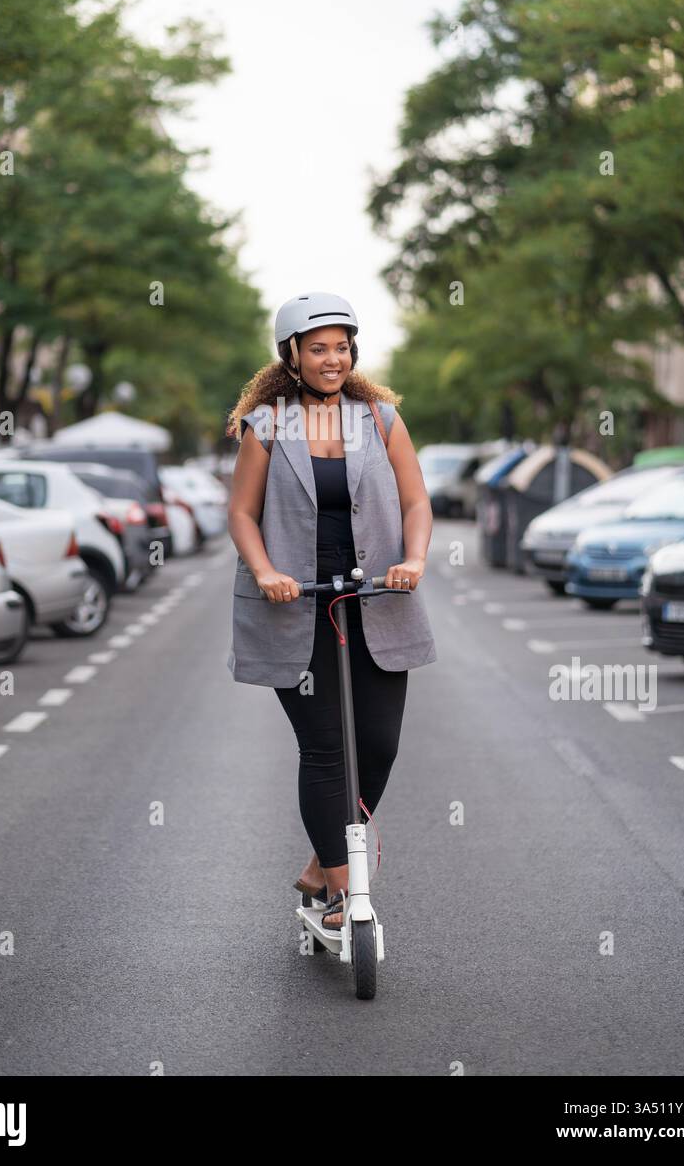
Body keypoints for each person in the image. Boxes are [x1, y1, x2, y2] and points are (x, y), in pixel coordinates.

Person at [226, 292, 437, 929]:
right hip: (295, 606)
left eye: (342, 347)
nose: (333, 358)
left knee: (378, 744)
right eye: (318, 348)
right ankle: (347, 893)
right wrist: (266, 572)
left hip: (377, 597)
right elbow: (240, 512)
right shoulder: (267, 426)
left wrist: (415, 560)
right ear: (291, 354)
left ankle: (321, 862)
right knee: (324, 750)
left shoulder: (380, 419)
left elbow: (416, 503)